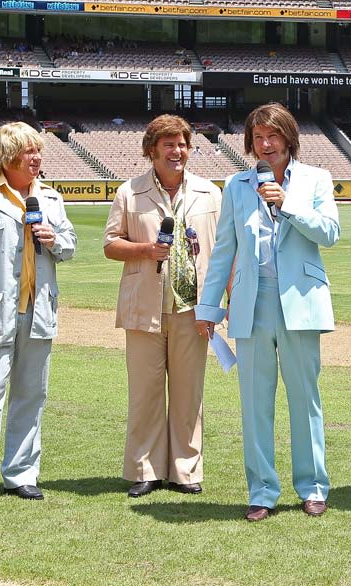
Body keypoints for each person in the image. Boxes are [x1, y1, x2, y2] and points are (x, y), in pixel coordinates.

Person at [196, 102, 339, 522]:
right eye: (257, 137)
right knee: (255, 403)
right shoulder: (238, 185)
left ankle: (313, 487)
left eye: (273, 136)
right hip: (250, 304)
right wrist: (209, 307)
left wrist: (287, 204)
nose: (265, 144)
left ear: (289, 138)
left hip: (300, 301)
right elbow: (224, 250)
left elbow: (329, 233)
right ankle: (261, 491)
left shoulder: (315, 179)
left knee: (305, 399)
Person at [0, 122, 77, 514]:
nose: (36, 158)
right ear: (7, 158)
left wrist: (55, 240)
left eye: (38, 151)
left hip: (40, 310)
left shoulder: (50, 200)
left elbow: (70, 246)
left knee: (31, 395)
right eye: (29, 152)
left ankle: (22, 474)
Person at [103, 115, 221, 498]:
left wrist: (219, 307)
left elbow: (222, 253)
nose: (177, 151)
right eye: (168, 145)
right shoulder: (129, 192)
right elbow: (110, 245)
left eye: (183, 144)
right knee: (146, 392)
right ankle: (146, 469)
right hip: (144, 307)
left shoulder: (209, 193)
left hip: (193, 308)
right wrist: (144, 250)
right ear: (152, 150)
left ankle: (186, 471)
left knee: (189, 394)